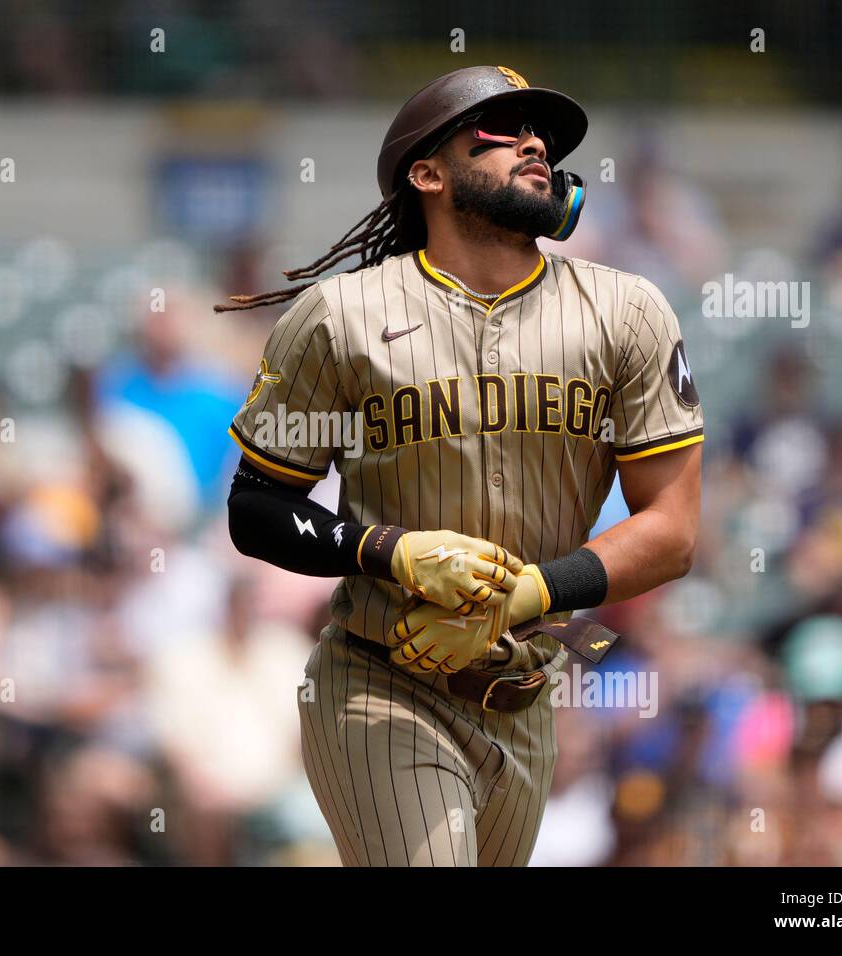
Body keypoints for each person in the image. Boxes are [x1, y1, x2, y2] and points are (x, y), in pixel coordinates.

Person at [219, 65, 703, 866]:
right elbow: (257, 506)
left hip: (525, 696)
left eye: (540, 134)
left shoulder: (628, 313)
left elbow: (675, 530)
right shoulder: (340, 318)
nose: (534, 143)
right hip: (382, 682)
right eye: (499, 130)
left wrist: (534, 590)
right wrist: (388, 551)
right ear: (428, 172)